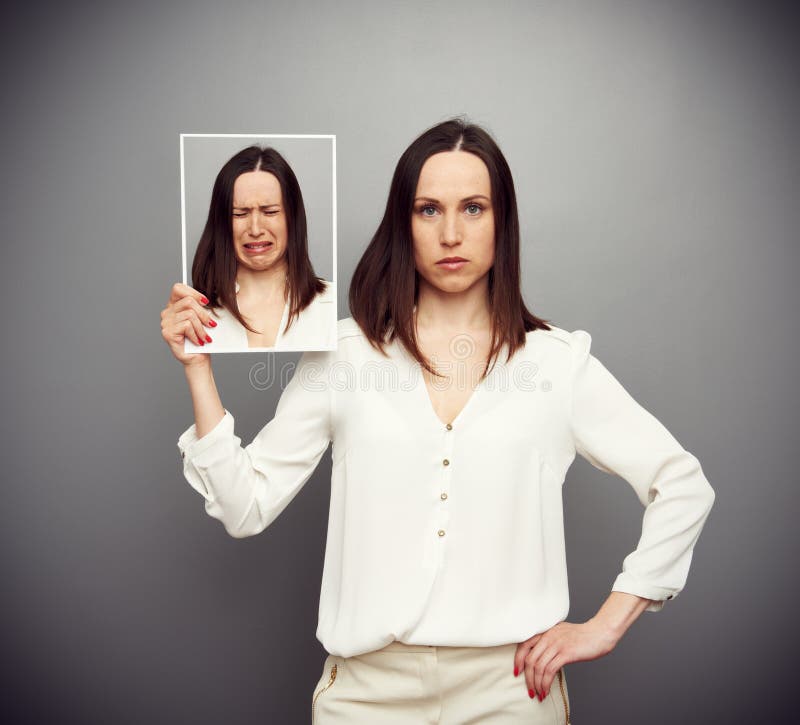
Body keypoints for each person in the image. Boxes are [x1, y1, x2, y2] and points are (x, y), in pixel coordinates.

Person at [160, 118, 715, 724]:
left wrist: (610, 623)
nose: (451, 232)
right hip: (366, 698)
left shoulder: (557, 363)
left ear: (503, 222)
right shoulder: (343, 356)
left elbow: (681, 484)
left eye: (473, 208)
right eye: (428, 210)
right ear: (404, 223)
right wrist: (198, 370)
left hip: (512, 694)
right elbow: (245, 508)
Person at [184, 145, 335, 352]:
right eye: (239, 214)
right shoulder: (194, 313)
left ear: (293, 218)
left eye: (270, 212)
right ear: (221, 223)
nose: (255, 229)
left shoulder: (330, 305)